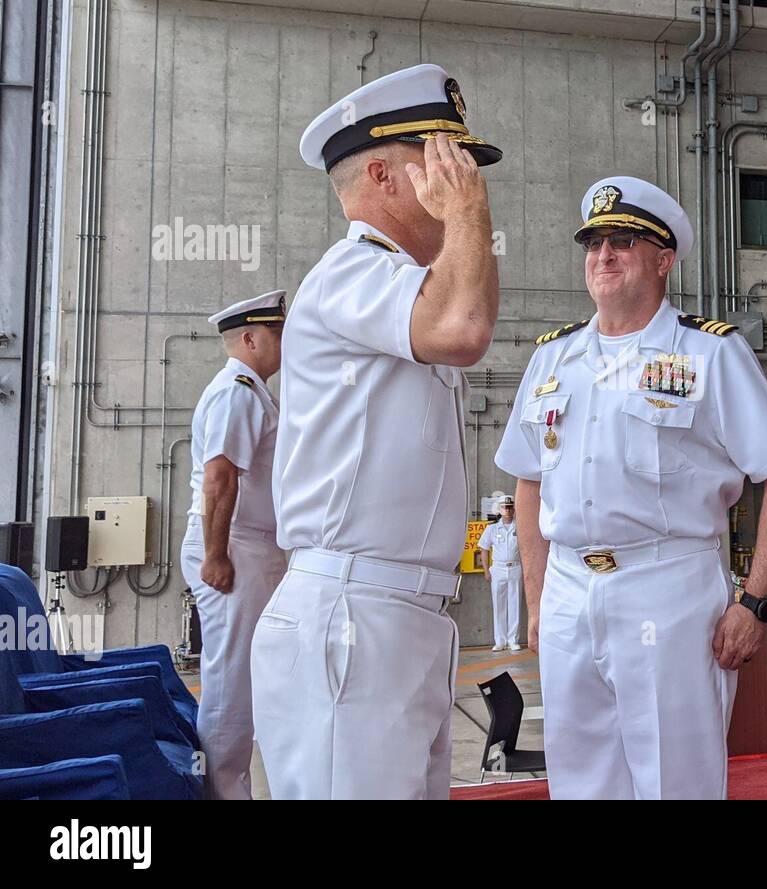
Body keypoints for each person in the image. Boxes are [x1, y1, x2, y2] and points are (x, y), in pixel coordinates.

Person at [496, 175, 767, 799]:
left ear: (664, 260)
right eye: (594, 244)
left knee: (675, 781)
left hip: (668, 589)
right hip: (567, 590)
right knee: (579, 781)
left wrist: (755, 603)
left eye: (623, 242)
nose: (604, 255)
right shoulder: (553, 358)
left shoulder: (707, 353)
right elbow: (529, 480)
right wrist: (536, 601)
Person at [251, 64, 501, 799]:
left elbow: (463, 317)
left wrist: (465, 223)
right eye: (440, 158)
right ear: (384, 176)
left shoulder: (401, 284)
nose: (459, 177)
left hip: (401, 617)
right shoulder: (351, 272)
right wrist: (468, 217)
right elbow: (464, 328)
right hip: (354, 615)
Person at [180, 290, 288, 800]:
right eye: (276, 333)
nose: (284, 342)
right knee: (231, 683)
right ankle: (223, 792)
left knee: (247, 675)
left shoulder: (253, 392)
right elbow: (220, 479)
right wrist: (216, 555)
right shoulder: (237, 392)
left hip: (248, 545)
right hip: (234, 546)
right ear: (249, 339)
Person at [476, 496, 522, 652]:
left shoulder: (520, 527)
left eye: (510, 507)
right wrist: (486, 570)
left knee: (515, 605)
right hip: (498, 569)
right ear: (499, 509)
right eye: (504, 507)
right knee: (499, 606)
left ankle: (513, 640)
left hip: (515, 567)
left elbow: (527, 549)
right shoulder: (492, 529)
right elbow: (484, 548)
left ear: (514, 509)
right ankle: (500, 641)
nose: (507, 510)